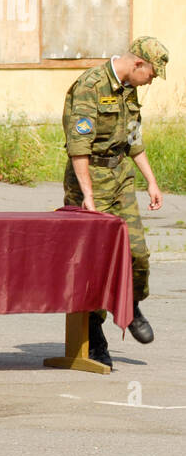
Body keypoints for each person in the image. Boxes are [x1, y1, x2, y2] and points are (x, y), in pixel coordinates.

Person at [63, 36, 167, 367]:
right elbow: (78, 145)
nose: (152, 81)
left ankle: (130, 304)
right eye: (152, 74)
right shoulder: (90, 85)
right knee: (95, 261)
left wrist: (151, 180)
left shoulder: (128, 88)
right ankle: (93, 334)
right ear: (139, 64)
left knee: (137, 253)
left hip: (120, 177)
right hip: (90, 178)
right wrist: (88, 197)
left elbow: (133, 137)